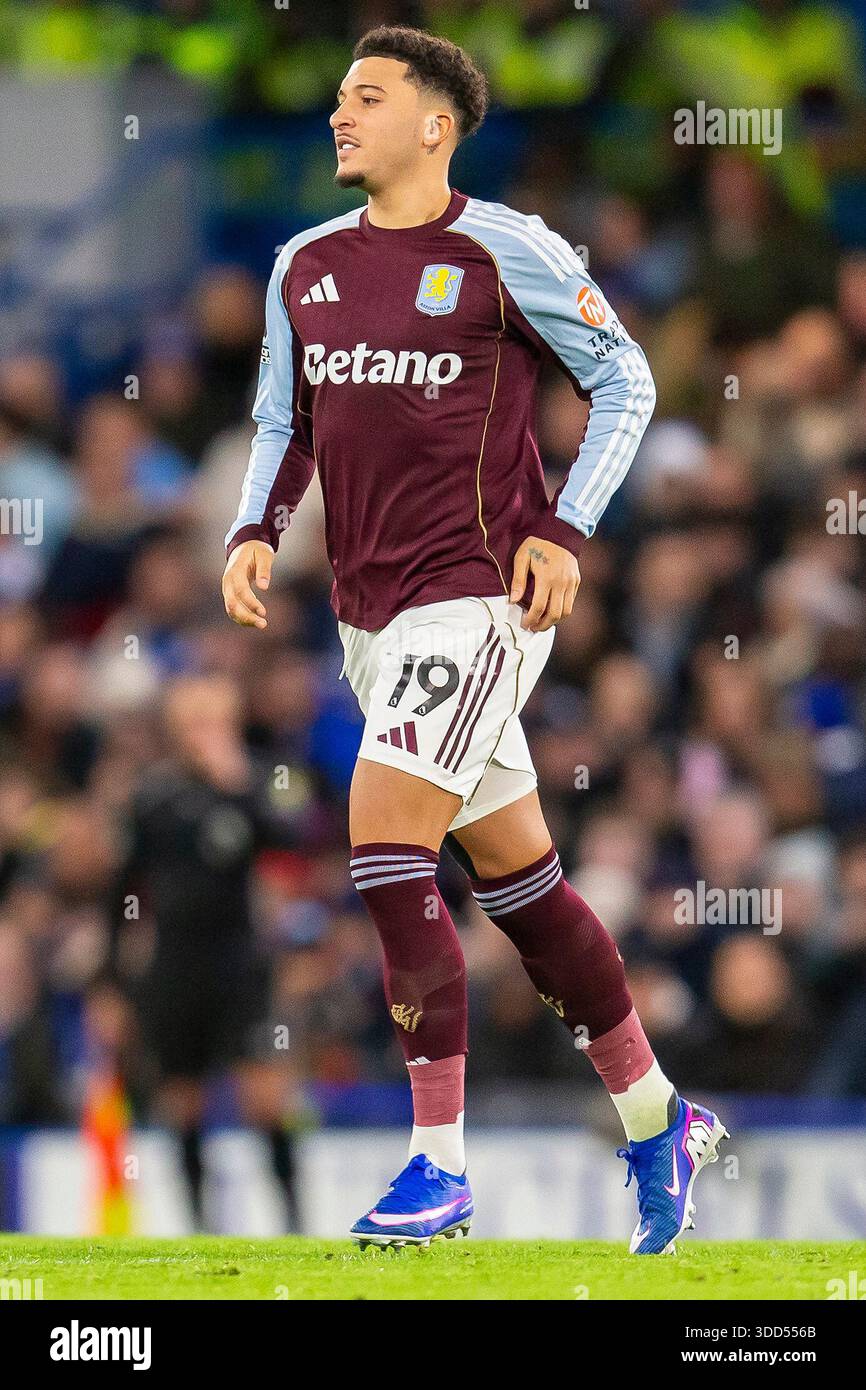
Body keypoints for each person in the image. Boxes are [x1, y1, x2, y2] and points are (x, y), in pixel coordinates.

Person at [222, 24, 727, 1255]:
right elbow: (288, 419)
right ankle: (658, 1116)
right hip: (364, 617)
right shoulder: (305, 264)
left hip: (480, 599)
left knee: (383, 839)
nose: (340, 116)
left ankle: (435, 1167)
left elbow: (627, 381)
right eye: (338, 97)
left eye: (367, 97)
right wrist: (253, 526)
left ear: (433, 123)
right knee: (524, 888)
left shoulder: (507, 249)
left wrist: (563, 526)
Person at [112, 675, 300, 1231]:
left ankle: (294, 1221)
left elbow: (290, 838)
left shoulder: (261, 782)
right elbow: (122, 890)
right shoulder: (154, 799)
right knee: (183, 1100)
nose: (206, 735)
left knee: (264, 1097)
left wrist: (236, 784)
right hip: (175, 966)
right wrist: (113, 979)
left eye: (216, 722)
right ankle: (199, 1228)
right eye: (195, 724)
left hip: (240, 964)